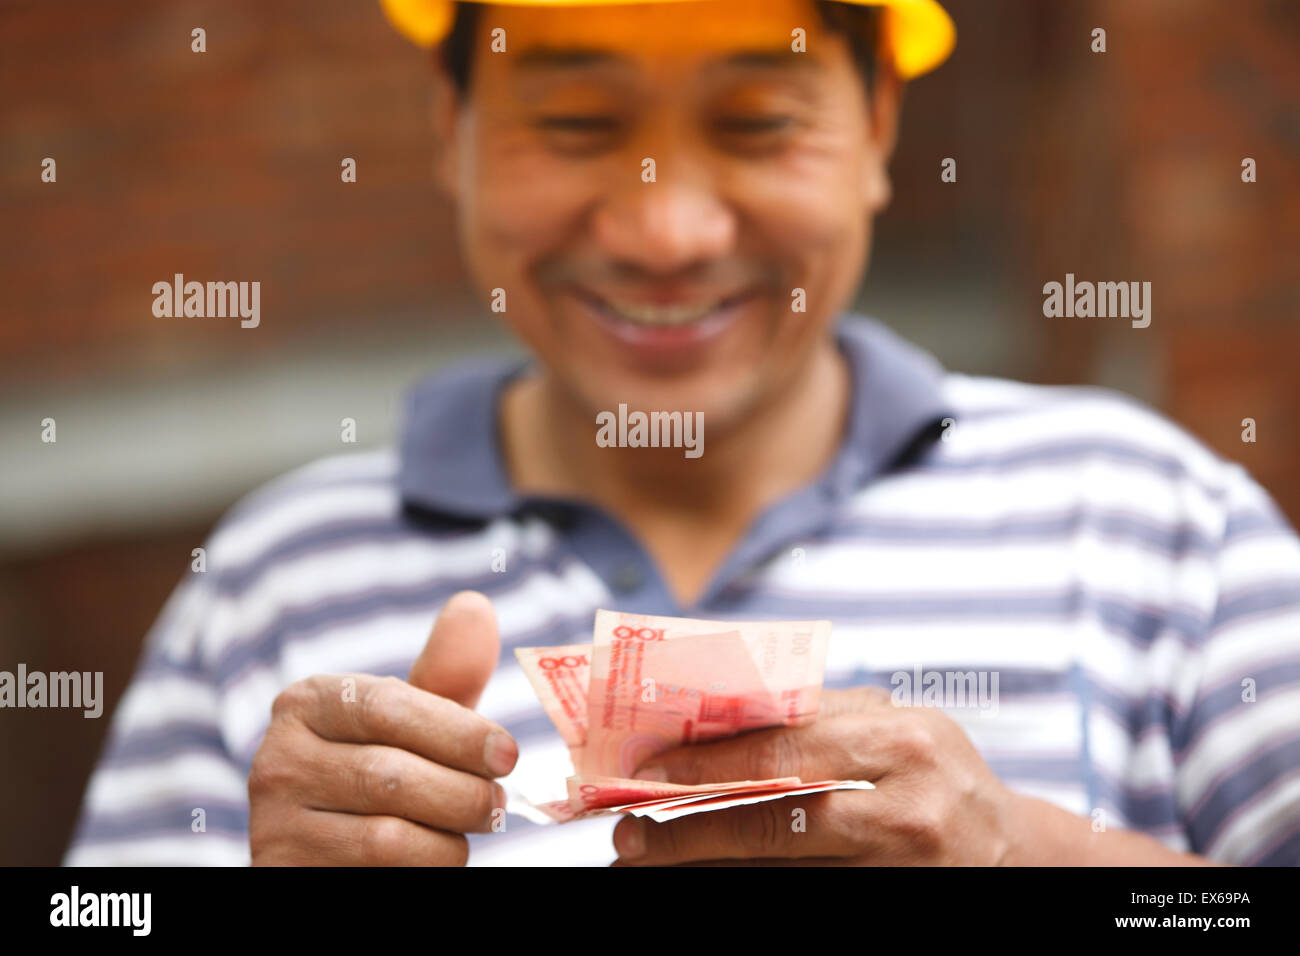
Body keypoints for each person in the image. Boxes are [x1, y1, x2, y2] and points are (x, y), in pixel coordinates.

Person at [66, 0, 1300, 866]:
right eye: (577, 125)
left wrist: (1032, 855)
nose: (667, 234)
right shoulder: (266, 584)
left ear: (876, 125)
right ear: (451, 133)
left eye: (758, 121)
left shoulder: (1155, 521)